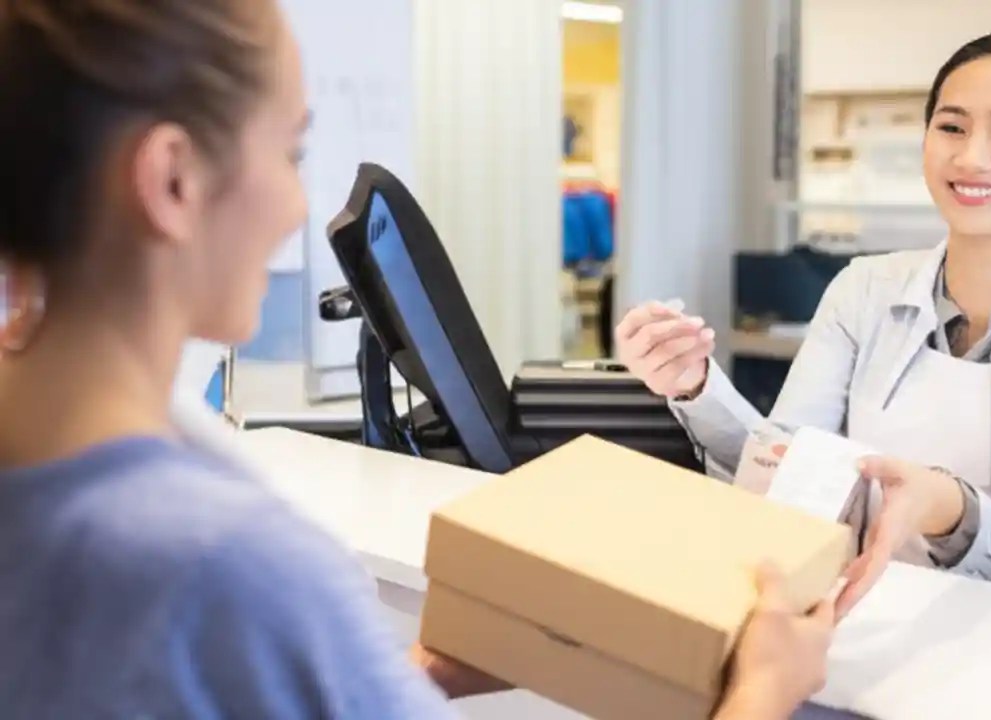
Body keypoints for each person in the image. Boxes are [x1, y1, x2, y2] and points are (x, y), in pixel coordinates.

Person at [0, 1, 835, 718]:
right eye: (290, 153)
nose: (299, 203)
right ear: (174, 179)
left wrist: (413, 674)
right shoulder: (232, 568)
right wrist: (763, 688)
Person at [617, 31, 991, 612]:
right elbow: (785, 465)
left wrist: (950, 506)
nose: (972, 156)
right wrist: (694, 387)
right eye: (951, 127)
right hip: (844, 623)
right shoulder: (864, 290)